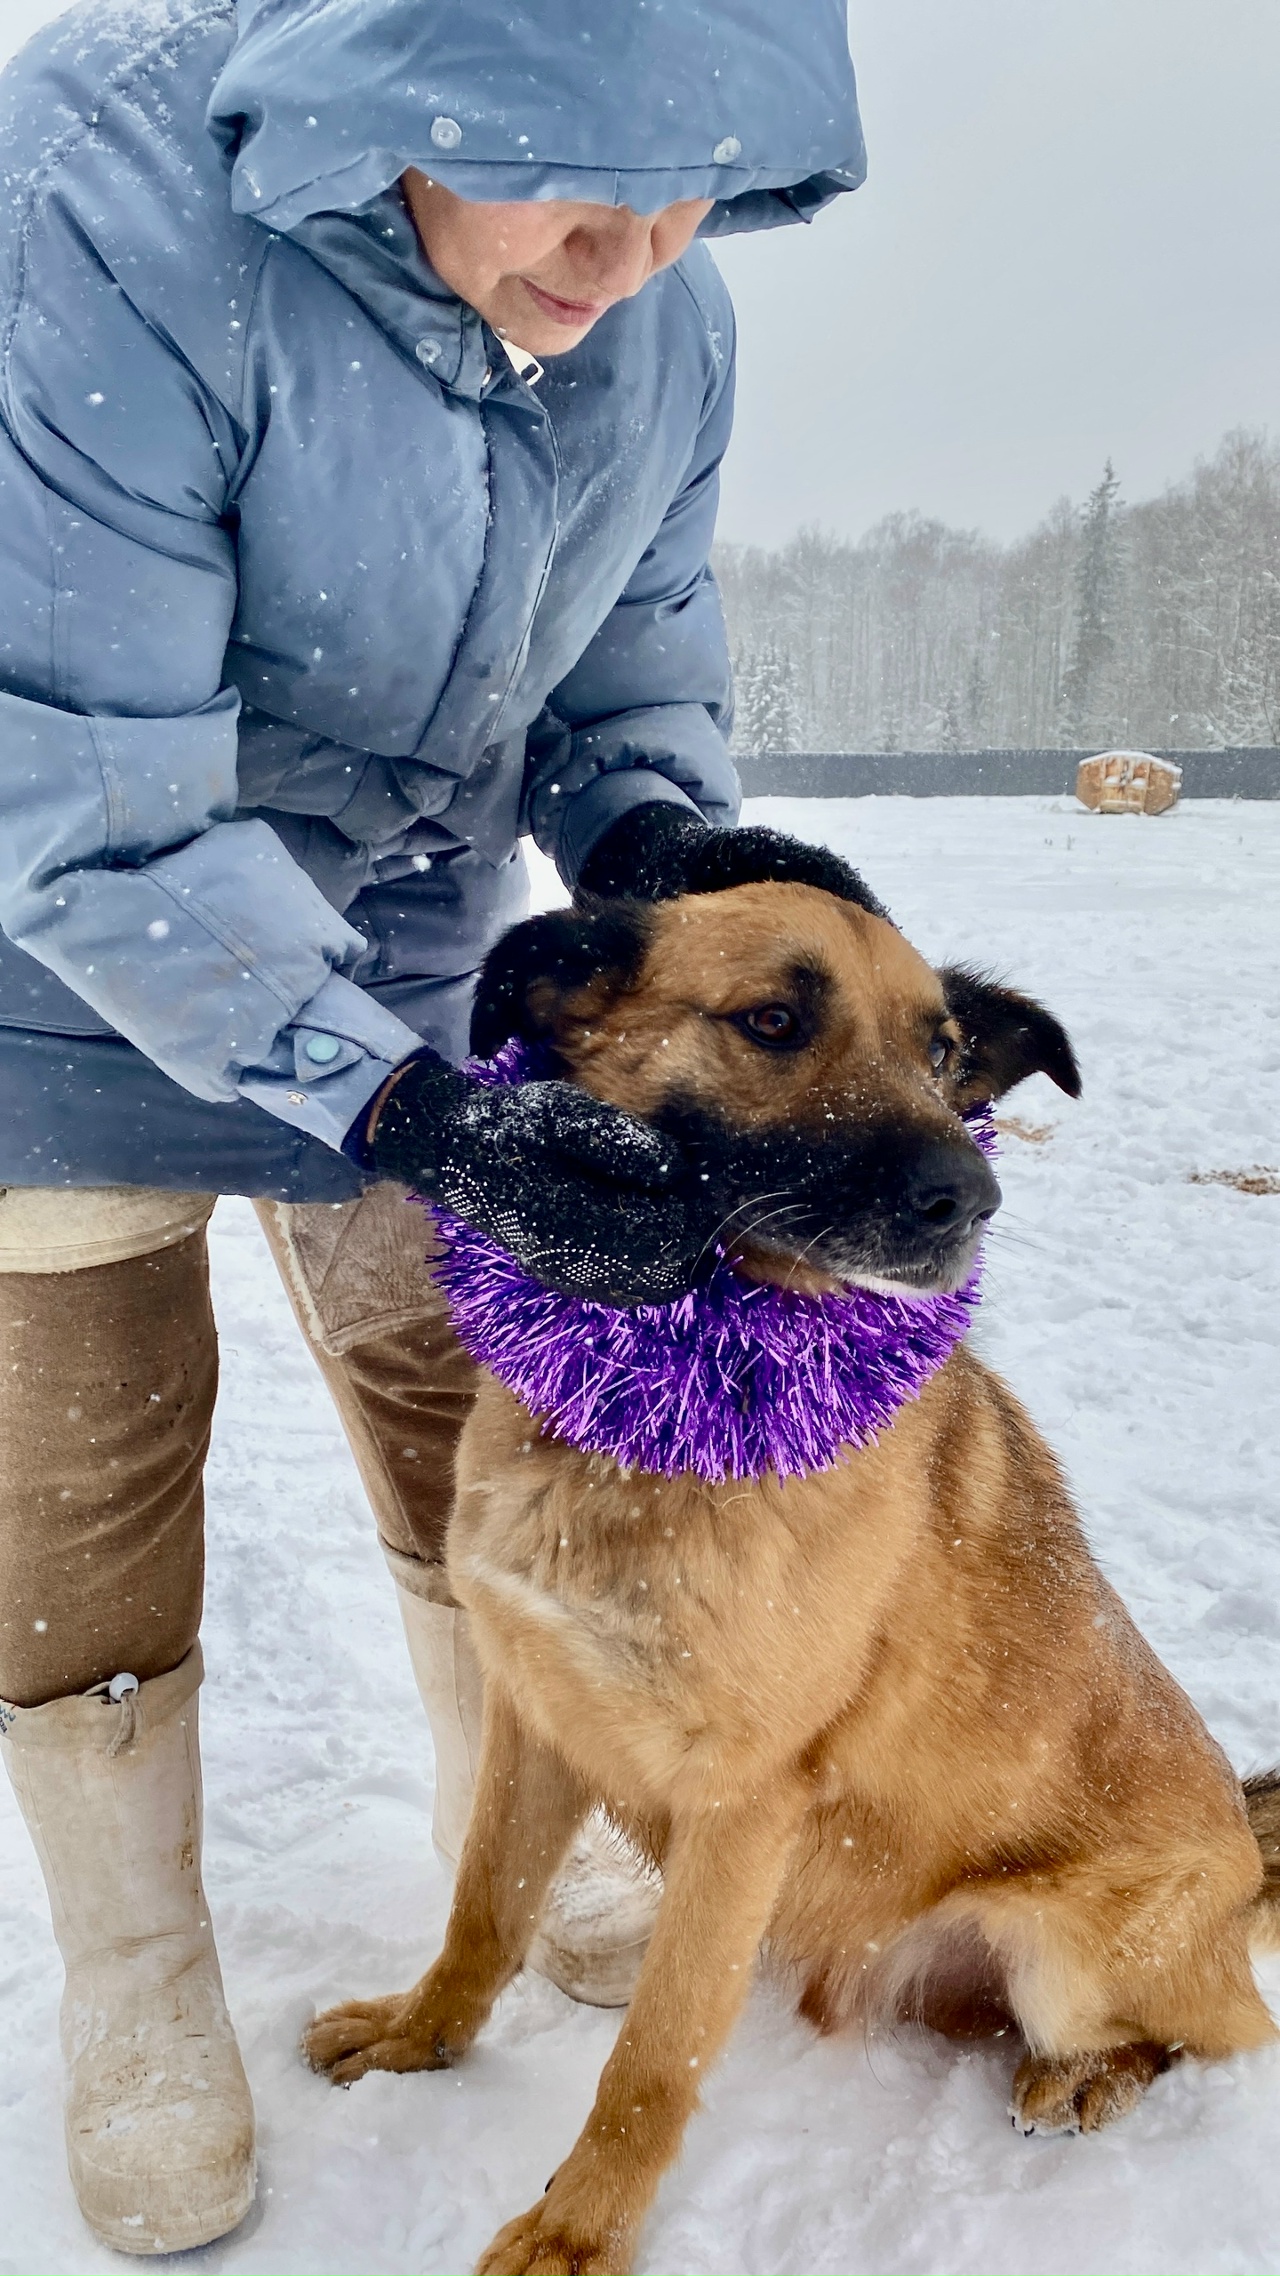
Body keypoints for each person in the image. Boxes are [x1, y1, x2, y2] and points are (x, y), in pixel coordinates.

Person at [0, 0, 866, 2253]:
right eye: (571, 177)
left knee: (465, 1383)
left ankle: (531, 1808)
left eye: (689, 187)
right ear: (404, 82)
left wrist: (661, 839)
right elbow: (83, 797)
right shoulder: (94, 211)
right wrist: (398, 1108)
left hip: (403, 933)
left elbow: (626, 657)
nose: (629, 250)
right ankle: (139, 1975)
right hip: (46, 932)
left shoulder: (659, 327)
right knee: (79, 1434)